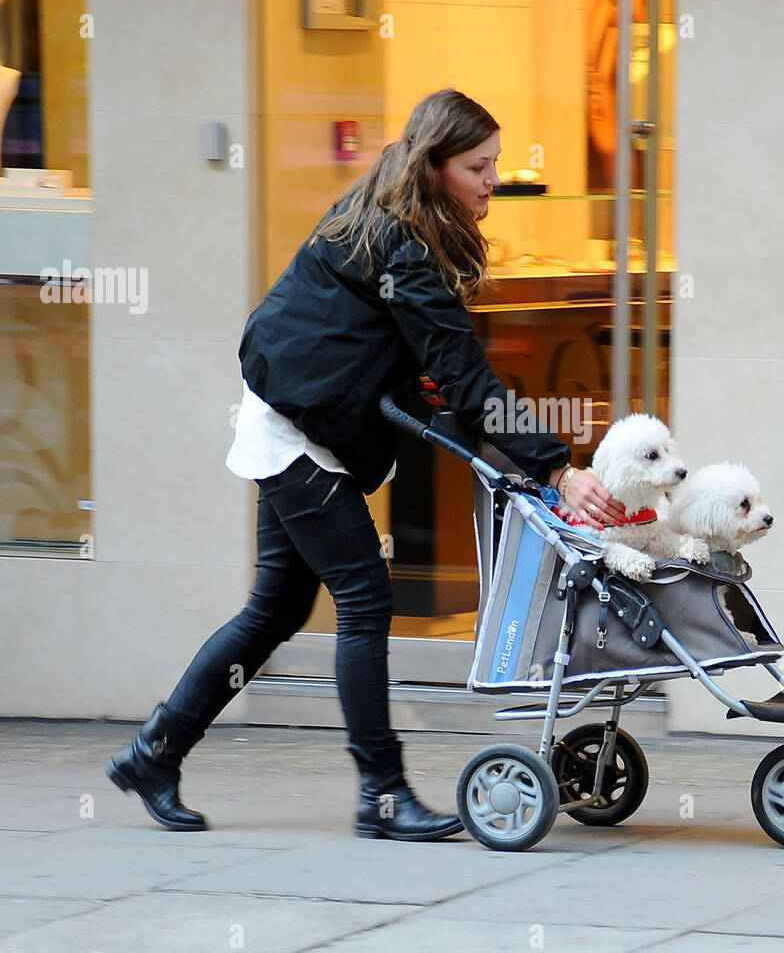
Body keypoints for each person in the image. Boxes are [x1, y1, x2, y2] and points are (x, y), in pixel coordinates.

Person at [106, 87, 626, 843]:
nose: (491, 181)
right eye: (478, 167)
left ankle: (154, 751)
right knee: (364, 599)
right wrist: (556, 468)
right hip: (296, 437)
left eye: (494, 166)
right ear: (436, 165)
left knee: (276, 610)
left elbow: (415, 358)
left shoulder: (385, 210)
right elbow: (465, 376)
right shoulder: (406, 247)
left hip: (293, 419)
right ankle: (380, 794)